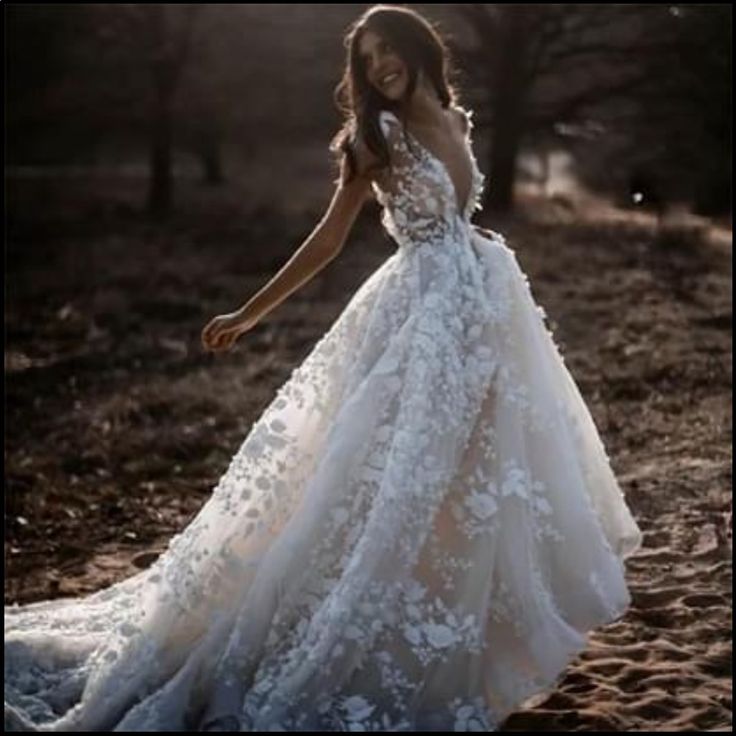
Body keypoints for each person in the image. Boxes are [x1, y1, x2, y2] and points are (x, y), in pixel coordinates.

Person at [5, 5, 643, 732]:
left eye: (386, 52)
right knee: (390, 481)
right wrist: (250, 313)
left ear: (417, 48)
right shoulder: (378, 136)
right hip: (418, 321)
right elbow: (329, 239)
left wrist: (470, 249)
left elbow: (454, 215)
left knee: (470, 479)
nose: (378, 68)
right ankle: (352, 631)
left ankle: (446, 630)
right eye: (366, 60)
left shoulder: (458, 122)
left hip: (479, 315)